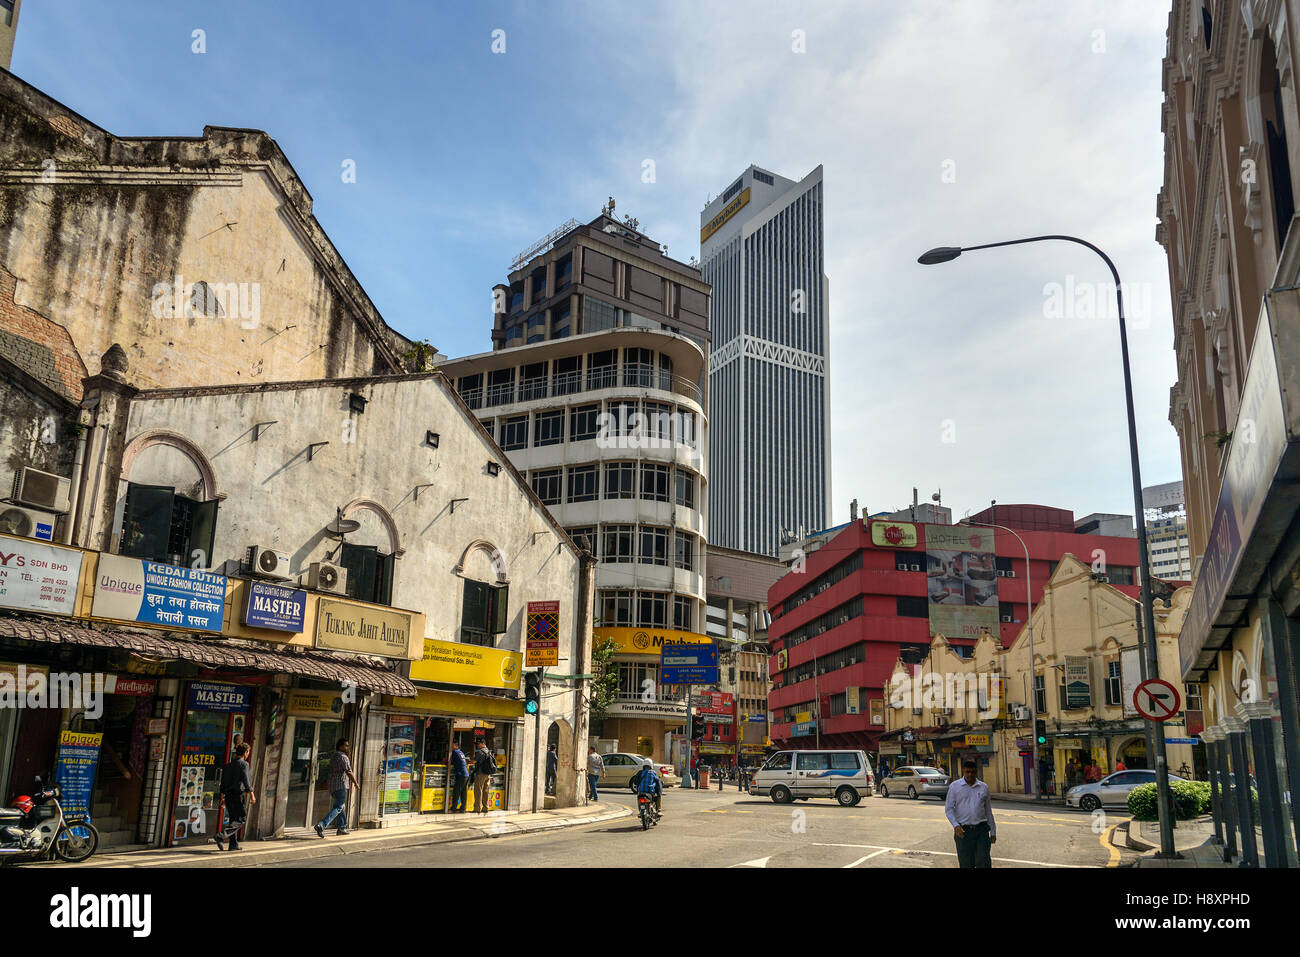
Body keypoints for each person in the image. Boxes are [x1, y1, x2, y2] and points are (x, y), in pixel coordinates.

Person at [944, 758, 996, 868]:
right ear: (963, 771)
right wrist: (956, 825)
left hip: (981, 829)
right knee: (966, 863)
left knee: (983, 861)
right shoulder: (955, 786)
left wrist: (993, 831)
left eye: (972, 772)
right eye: (967, 772)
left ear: (976, 772)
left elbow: (988, 811)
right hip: (963, 831)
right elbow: (949, 809)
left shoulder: (983, 787)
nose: (970, 774)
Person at [213, 743, 256, 851]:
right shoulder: (244, 764)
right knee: (242, 818)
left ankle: (233, 844)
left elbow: (223, 784)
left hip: (228, 796)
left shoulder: (228, 765)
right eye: (248, 752)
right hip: (237, 796)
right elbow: (246, 780)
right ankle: (221, 836)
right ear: (245, 752)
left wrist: (222, 798)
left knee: (233, 819)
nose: (248, 755)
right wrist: (252, 795)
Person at [314, 738, 360, 837]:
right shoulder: (343, 757)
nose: (347, 747)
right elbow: (348, 771)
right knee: (338, 807)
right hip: (340, 785)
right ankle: (322, 825)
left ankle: (342, 828)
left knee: (340, 806)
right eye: (346, 745)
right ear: (340, 746)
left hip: (332, 786)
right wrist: (356, 783)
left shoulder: (334, 756)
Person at [473, 742, 495, 814]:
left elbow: (474, 761)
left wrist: (468, 761)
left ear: (482, 744)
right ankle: (485, 807)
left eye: (478, 744)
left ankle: (477, 808)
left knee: (478, 790)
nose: (477, 746)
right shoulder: (489, 751)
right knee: (486, 791)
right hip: (487, 774)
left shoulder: (480, 752)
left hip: (480, 774)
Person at [449, 743, 470, 813]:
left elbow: (450, 762)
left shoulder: (455, 752)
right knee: (463, 793)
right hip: (466, 775)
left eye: (452, 745)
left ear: (456, 746)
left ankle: (453, 809)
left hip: (461, 775)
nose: (451, 747)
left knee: (456, 792)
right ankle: (463, 809)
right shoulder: (461, 752)